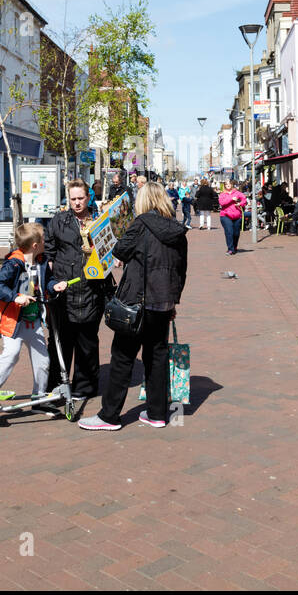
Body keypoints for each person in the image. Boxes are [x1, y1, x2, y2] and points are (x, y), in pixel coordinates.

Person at [79, 182, 188, 431]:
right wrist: (173, 300)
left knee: (122, 357)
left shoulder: (140, 224)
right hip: (162, 303)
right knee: (157, 356)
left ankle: (109, 416)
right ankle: (157, 413)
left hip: (137, 301)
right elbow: (182, 270)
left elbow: (121, 250)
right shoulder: (177, 229)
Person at [0, 223, 68, 410]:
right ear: (35, 244)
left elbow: (47, 281)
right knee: (11, 354)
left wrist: (53, 286)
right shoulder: (14, 263)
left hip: (33, 321)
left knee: (43, 361)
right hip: (12, 321)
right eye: (43, 239)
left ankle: (39, 398)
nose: (45, 242)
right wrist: (16, 297)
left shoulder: (41, 261)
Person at [44, 179, 111, 403]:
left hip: (92, 289)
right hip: (65, 290)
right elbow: (49, 248)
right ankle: (56, 385)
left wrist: (112, 260)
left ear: (88, 197)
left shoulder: (99, 220)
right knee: (60, 341)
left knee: (87, 341)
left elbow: (111, 247)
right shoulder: (59, 220)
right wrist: (52, 273)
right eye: (72, 199)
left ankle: (85, 386)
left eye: (80, 198)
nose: (76, 203)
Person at [218, 183, 249, 255]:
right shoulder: (222, 194)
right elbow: (222, 203)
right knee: (229, 232)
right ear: (225, 186)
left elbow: (244, 199)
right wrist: (231, 199)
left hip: (237, 216)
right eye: (226, 184)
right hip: (225, 215)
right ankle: (230, 249)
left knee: (236, 233)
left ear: (232, 185)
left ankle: (234, 247)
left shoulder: (237, 193)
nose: (228, 185)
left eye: (229, 184)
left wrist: (240, 204)